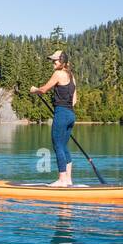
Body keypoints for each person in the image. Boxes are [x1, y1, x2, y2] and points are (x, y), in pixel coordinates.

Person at [30, 50, 85, 187]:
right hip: (71, 114)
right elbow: (74, 100)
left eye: (55, 60)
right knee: (64, 146)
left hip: (61, 114)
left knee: (57, 145)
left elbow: (44, 90)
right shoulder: (72, 77)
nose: (53, 63)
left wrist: (34, 90)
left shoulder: (58, 74)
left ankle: (61, 180)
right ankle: (68, 179)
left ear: (62, 61)